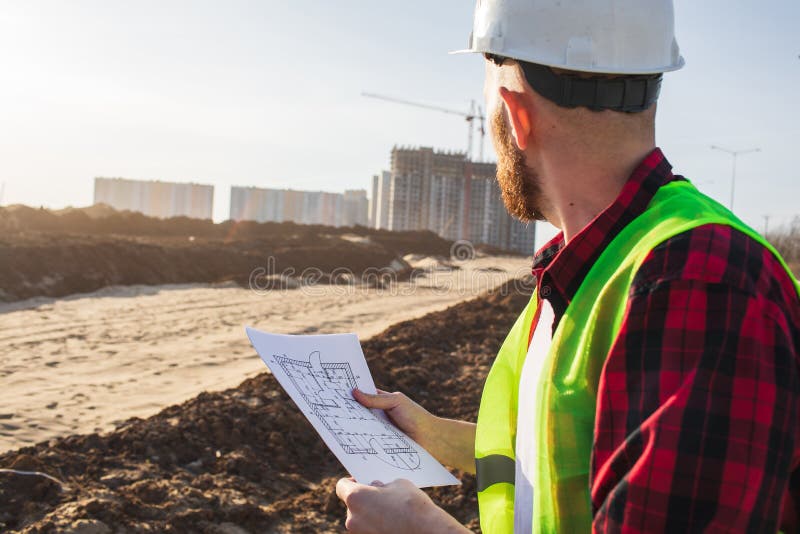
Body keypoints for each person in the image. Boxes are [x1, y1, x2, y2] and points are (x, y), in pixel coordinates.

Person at [336, 0, 800, 532]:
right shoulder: (594, 267)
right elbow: (566, 456)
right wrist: (432, 434)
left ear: (516, 114)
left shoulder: (697, 281)